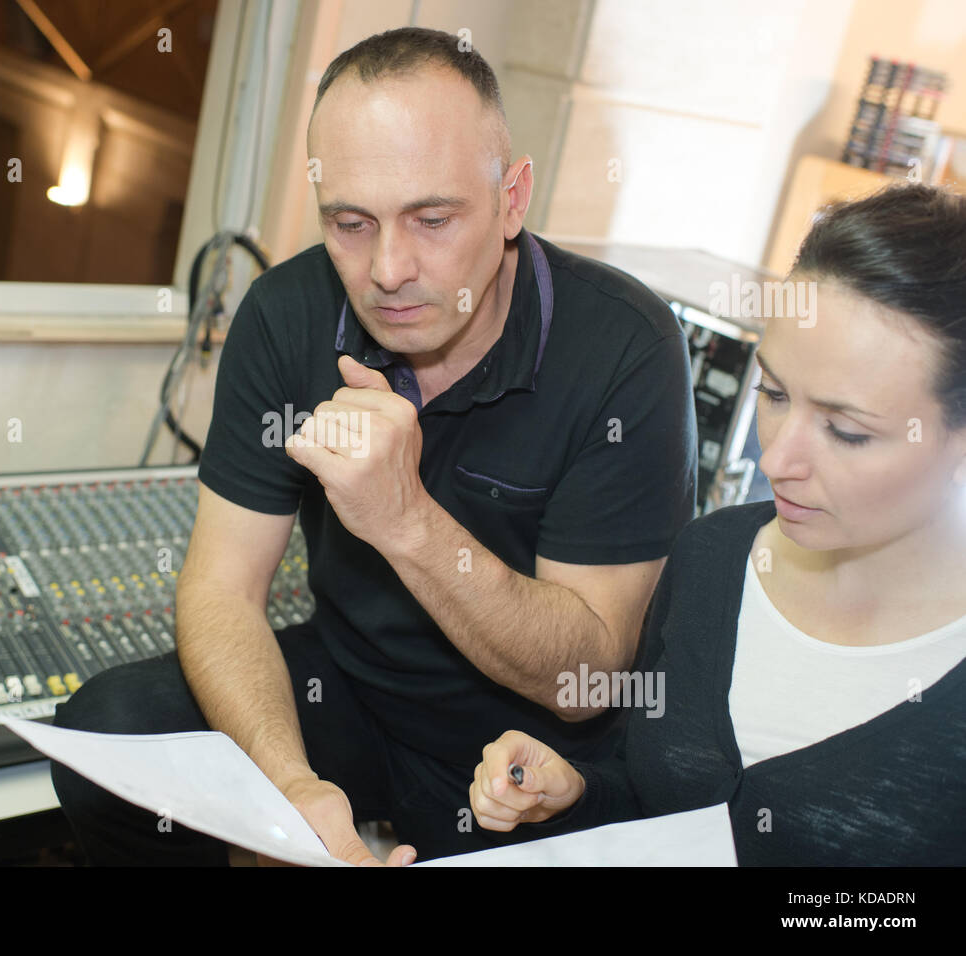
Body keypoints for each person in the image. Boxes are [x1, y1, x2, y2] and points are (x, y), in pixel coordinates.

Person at [50, 26, 696, 865]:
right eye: (350, 223)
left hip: (529, 748)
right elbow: (221, 591)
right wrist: (288, 792)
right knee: (114, 737)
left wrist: (403, 519)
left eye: (432, 219)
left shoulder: (627, 349)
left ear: (511, 198)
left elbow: (591, 679)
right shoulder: (286, 314)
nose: (389, 268)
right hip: (349, 686)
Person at [469, 183, 966, 865]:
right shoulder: (714, 556)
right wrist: (577, 791)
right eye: (774, 393)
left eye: (846, 432)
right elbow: (654, 799)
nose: (780, 457)